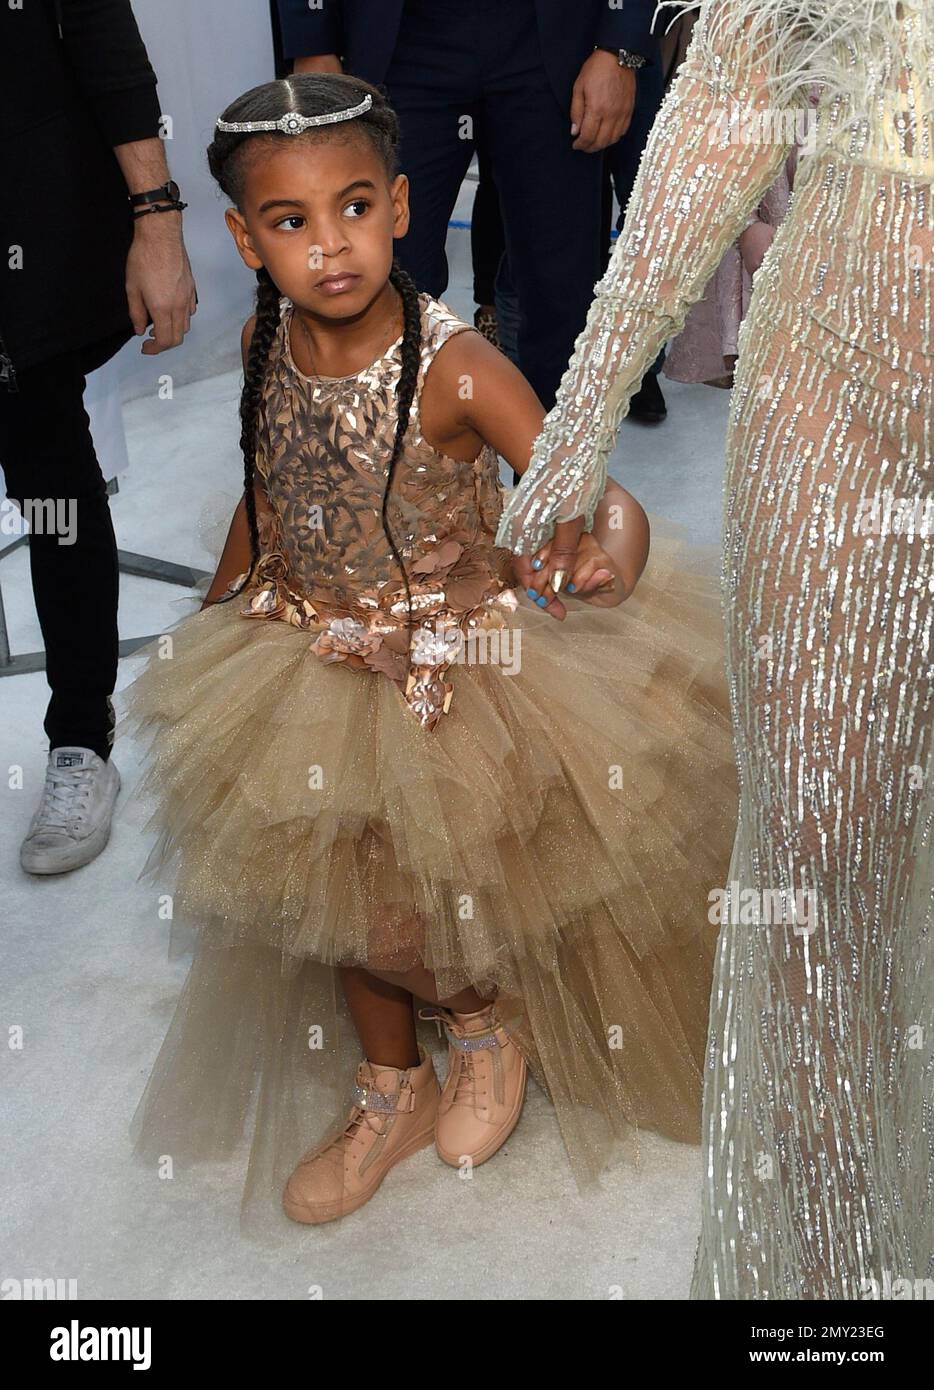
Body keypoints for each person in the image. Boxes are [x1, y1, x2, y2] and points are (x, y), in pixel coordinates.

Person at [118, 72, 737, 1229]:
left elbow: (589, 495)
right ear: (247, 240)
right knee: (327, 889)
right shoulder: (263, 342)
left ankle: (482, 1025)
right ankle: (389, 1085)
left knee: (423, 904)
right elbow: (270, 494)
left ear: (402, 207)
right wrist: (214, 613)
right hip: (304, 646)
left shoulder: (455, 366)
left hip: (452, 662)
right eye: (292, 223)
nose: (330, 246)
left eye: (353, 208)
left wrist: (609, 554)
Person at [495, 0, 933, 1298]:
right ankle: (839, 1287)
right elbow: (735, 94)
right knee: (813, 848)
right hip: (835, 382)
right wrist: (578, 415)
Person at [276, 0, 659, 483]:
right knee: (384, 277)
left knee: (561, 287)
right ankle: (384, 486)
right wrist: (315, 42)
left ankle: (552, 504)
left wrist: (620, 47)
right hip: (398, 45)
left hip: (555, 43)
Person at [0, 0, 196, 875]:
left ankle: (79, 740)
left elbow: (109, 50)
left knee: (51, 485)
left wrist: (157, 222)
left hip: (23, 213)